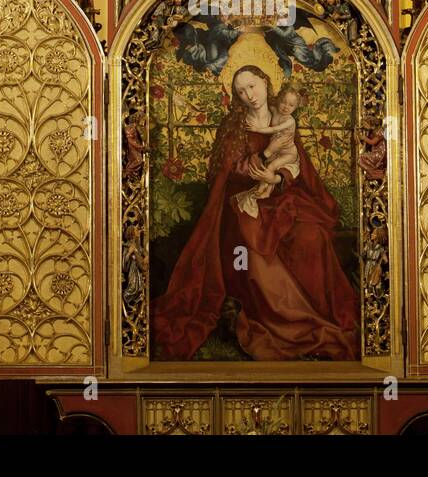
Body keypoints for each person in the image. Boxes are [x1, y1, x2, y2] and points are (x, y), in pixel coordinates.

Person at [153, 66, 359, 361]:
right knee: (253, 243)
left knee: (311, 236)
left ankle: (319, 312)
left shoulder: (283, 118)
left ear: (265, 82)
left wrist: (278, 179)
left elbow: (296, 163)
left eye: (252, 86)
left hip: (281, 197)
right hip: (242, 202)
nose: (249, 95)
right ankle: (282, 318)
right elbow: (229, 172)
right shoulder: (234, 125)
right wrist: (264, 155)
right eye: (241, 91)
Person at [233, 85, 301, 218]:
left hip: (288, 153)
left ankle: (265, 190)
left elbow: (274, 130)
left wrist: (257, 129)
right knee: (269, 167)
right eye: (283, 102)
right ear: (278, 101)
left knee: (271, 167)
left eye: (291, 105)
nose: (286, 107)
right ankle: (262, 188)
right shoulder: (275, 111)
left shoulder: (289, 120)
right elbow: (263, 105)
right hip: (276, 151)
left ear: (295, 108)